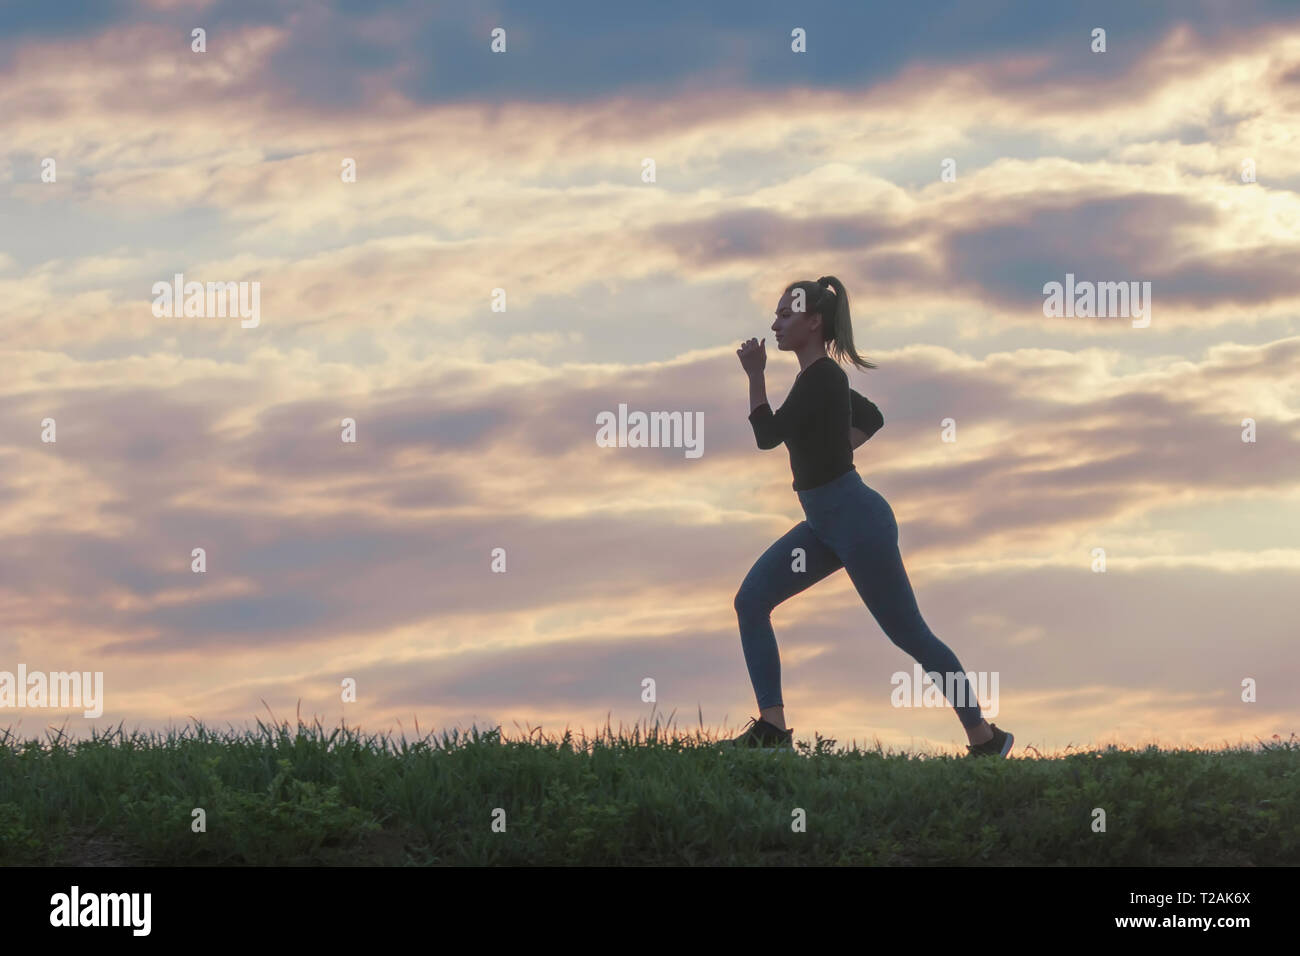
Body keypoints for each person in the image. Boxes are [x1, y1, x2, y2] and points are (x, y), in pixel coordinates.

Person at [727, 275, 1012, 757]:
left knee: (911, 635)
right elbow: (872, 417)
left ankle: (985, 738)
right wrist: (835, 450)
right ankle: (772, 730)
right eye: (775, 314)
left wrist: (754, 374)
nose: (774, 324)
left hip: (858, 522)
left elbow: (767, 436)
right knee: (751, 602)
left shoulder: (823, 379)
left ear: (813, 322)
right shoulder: (816, 380)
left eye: (784, 315)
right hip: (825, 524)